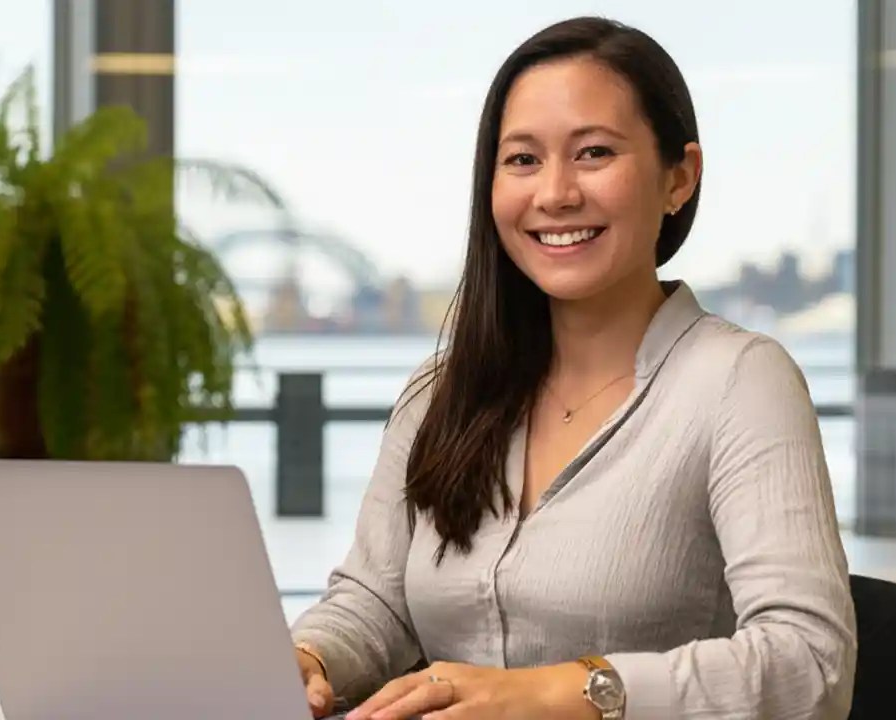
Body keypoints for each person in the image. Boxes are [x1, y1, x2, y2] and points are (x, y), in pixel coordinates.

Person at [289, 15, 856, 720]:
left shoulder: (740, 384)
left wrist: (568, 691)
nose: (554, 193)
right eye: (522, 160)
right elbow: (375, 602)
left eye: (593, 154)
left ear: (679, 178)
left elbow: (809, 663)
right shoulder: (441, 392)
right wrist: (307, 659)